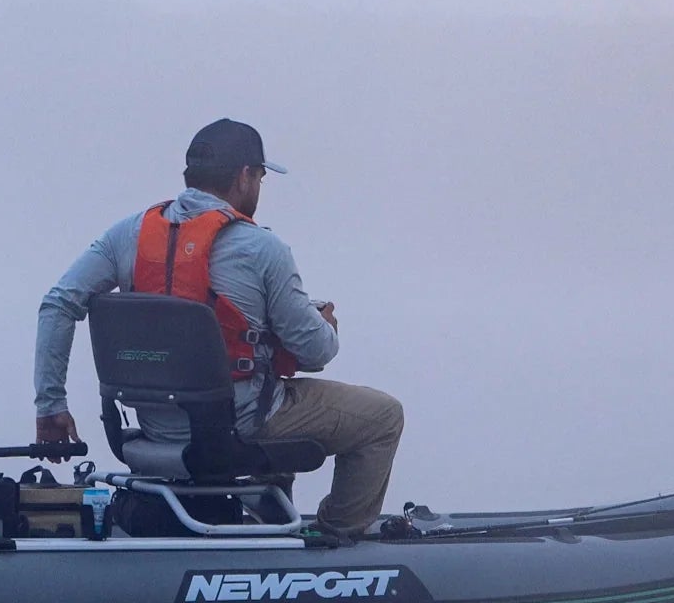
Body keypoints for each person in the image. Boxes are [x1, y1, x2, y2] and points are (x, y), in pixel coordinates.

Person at [34, 118, 404, 539]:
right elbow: (317, 352)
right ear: (245, 176)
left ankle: (263, 528)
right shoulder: (263, 249)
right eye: (261, 177)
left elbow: (58, 303)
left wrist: (51, 405)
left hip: (155, 427)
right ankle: (336, 540)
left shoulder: (128, 235)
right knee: (382, 415)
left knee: (270, 391)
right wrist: (323, 323)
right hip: (237, 424)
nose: (259, 188)